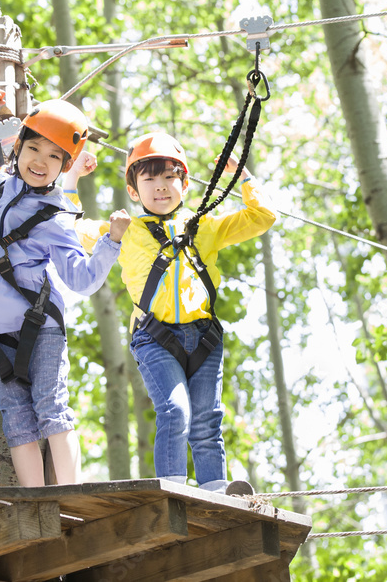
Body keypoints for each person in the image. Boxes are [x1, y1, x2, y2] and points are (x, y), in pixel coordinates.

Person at [0, 87, 130, 487]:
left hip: (39, 327)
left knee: (51, 407)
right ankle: (35, 499)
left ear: (64, 167)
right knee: (17, 421)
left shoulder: (55, 218)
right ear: (18, 148)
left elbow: (82, 279)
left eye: (54, 156)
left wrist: (111, 242)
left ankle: (72, 492)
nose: (41, 162)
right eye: (34, 149)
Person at [68, 132, 277, 493]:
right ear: (134, 191)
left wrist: (242, 176)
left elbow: (263, 216)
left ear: (185, 184)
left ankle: (215, 493)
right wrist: (72, 179)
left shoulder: (205, 227)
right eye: (149, 179)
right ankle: (173, 490)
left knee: (207, 422)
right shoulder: (126, 231)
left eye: (169, 177)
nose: (160, 187)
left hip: (204, 337)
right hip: (154, 337)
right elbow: (68, 226)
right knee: (175, 410)